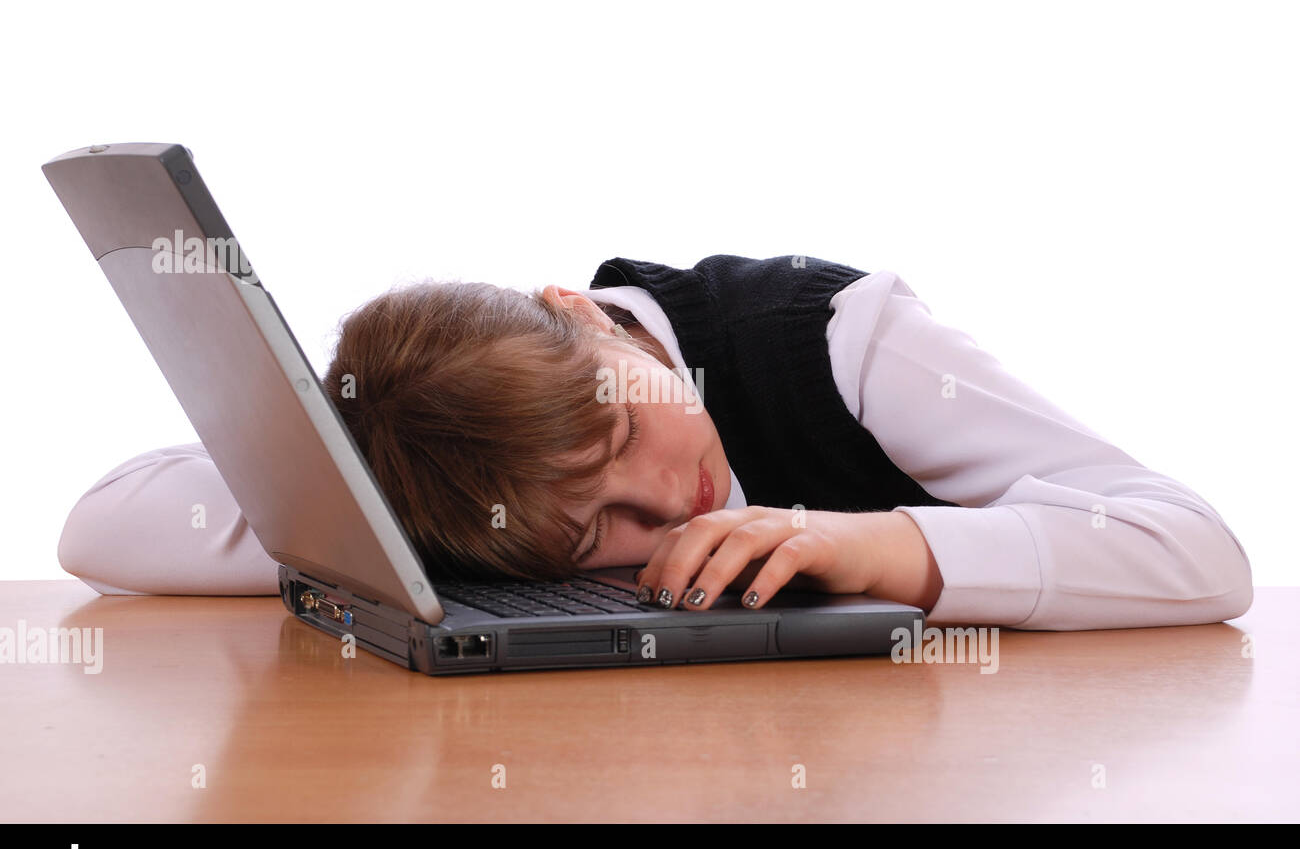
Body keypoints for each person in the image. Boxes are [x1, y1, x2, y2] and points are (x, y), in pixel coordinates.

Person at [56, 253, 1254, 631]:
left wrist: (879, 547)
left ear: (578, 314)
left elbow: (1197, 551)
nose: (665, 503)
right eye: (596, 532)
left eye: (625, 422)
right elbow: (99, 524)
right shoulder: (449, 481)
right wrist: (361, 512)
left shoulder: (843, 339)